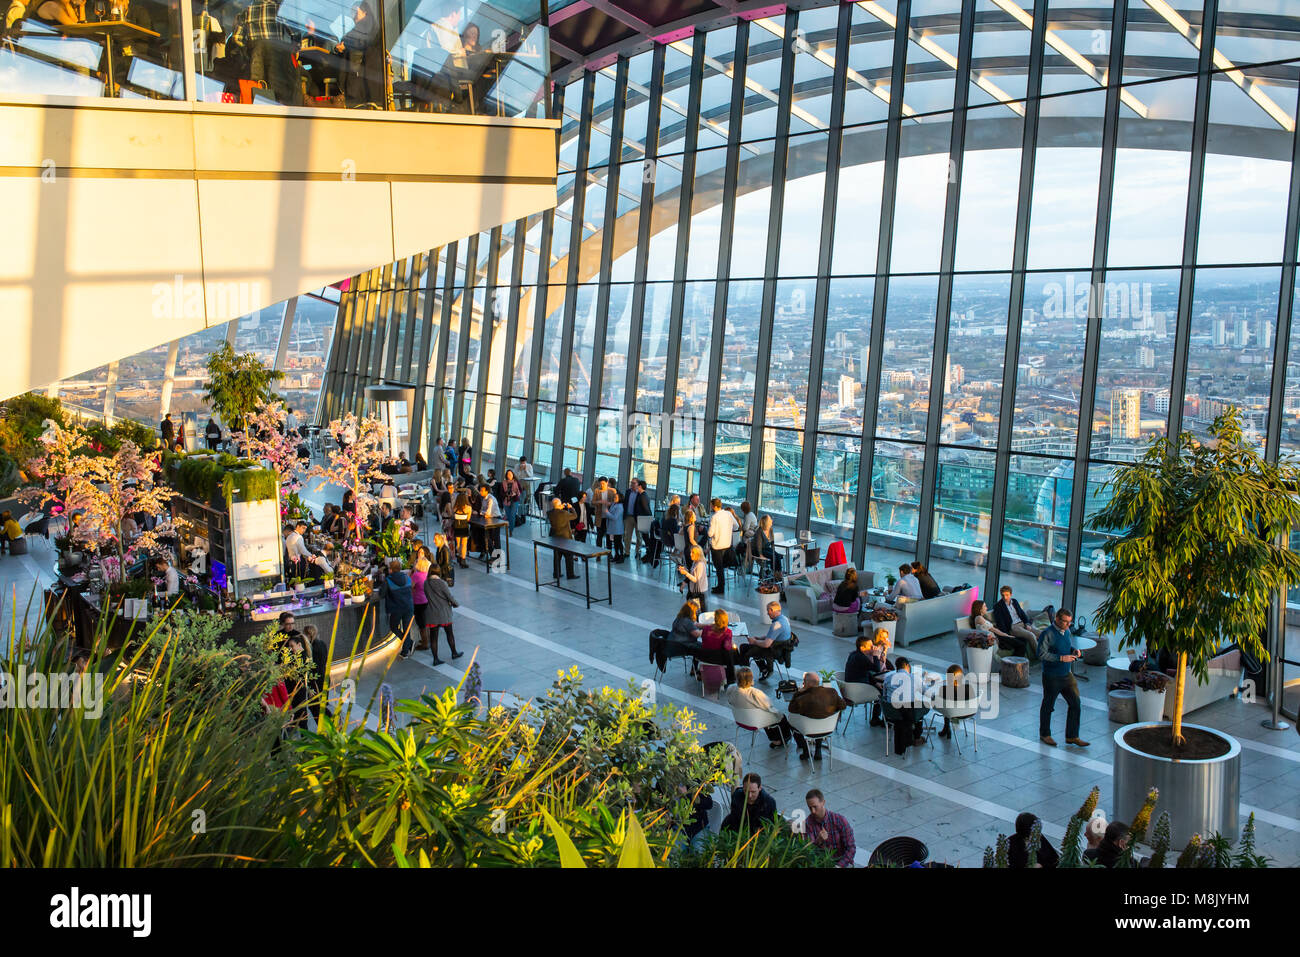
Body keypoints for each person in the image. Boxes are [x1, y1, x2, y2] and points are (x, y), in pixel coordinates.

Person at [233, 0, 301, 106]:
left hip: (255, 61)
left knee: (258, 91)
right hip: (277, 60)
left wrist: (249, 51)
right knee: (280, 93)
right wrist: (295, 47)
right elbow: (295, 32)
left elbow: (237, 38)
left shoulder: (246, 10)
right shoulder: (279, 9)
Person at [1037, 607, 1088, 748]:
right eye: (1065, 622)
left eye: (1069, 622)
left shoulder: (1067, 631)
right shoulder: (1047, 634)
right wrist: (1061, 658)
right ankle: (1045, 734)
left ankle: (1072, 736)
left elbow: (1067, 646)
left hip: (1066, 675)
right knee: (1048, 706)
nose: (1067, 625)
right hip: (1051, 676)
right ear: (1057, 619)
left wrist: (1073, 651)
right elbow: (1041, 654)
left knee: (1075, 704)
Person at [726, 667, 791, 748]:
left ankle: (775, 739)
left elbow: (730, 701)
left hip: (740, 719)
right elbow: (768, 705)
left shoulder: (731, 689)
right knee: (779, 716)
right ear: (750, 679)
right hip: (755, 721)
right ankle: (782, 739)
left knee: (765, 714)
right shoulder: (754, 693)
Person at [787, 672, 844, 760]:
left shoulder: (802, 698)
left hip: (808, 730)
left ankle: (806, 750)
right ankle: (818, 750)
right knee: (820, 716)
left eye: (804, 681)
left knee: (791, 721)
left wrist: (798, 693)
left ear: (808, 683)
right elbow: (843, 705)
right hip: (828, 728)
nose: (803, 683)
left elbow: (791, 709)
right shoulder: (832, 692)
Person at [881, 656, 927, 754]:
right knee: (920, 705)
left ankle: (912, 736)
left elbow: (884, 696)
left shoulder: (888, 678)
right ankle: (917, 737)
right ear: (906, 665)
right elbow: (926, 692)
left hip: (891, 714)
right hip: (908, 713)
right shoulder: (914, 678)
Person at [805, 789, 856, 868]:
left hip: (842, 863)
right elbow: (809, 851)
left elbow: (851, 848)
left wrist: (839, 866)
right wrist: (818, 841)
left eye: (815, 807)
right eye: (810, 808)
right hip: (821, 863)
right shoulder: (808, 824)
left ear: (823, 802)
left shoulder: (839, 820)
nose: (813, 811)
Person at [422, 568, 461, 664]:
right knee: (449, 634)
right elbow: (449, 596)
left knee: (433, 637)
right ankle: (454, 653)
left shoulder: (426, 583)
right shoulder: (442, 583)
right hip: (444, 613)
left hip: (431, 613)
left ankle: (435, 659)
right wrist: (456, 603)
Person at [379, 559, 416, 657]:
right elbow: (413, 585)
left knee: (394, 627)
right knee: (406, 628)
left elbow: (382, 594)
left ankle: (408, 645)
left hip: (397, 608)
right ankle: (406, 650)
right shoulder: (406, 577)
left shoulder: (388, 580)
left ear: (390, 570)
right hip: (408, 606)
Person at [993, 585, 1040, 659]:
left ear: (1011, 594)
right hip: (1013, 627)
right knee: (1031, 636)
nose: (1005, 597)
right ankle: (1041, 657)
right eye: (1003, 595)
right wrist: (1006, 635)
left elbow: (1022, 614)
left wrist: (1027, 623)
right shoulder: (998, 606)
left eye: (1007, 595)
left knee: (1041, 633)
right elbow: (1000, 623)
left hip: (1022, 624)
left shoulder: (1014, 601)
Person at [707, 498, 738, 595]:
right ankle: (721, 586)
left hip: (717, 546)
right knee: (722, 567)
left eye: (711, 505)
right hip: (727, 545)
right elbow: (736, 526)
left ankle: (720, 587)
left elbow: (710, 533)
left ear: (714, 506)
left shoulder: (714, 517)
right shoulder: (728, 514)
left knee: (719, 567)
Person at [935, 664, 973, 739]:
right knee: (949, 706)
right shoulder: (969, 687)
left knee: (945, 706)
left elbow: (939, 703)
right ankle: (948, 728)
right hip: (968, 714)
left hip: (954, 716)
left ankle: (946, 728)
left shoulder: (945, 689)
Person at [547, 497, 579, 581]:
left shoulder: (549, 513)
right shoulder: (564, 513)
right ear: (559, 504)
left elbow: (555, 511)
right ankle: (570, 574)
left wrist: (558, 507)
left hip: (555, 538)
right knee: (568, 557)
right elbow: (575, 516)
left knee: (557, 557)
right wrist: (571, 507)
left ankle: (556, 573)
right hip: (565, 538)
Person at [677, 545, 709, 611]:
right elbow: (692, 574)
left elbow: (696, 580)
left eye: (693, 552)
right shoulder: (695, 562)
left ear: (698, 554)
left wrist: (686, 573)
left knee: (699, 613)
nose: (690, 554)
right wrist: (685, 570)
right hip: (694, 591)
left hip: (699, 593)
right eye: (690, 552)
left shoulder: (700, 564)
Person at [409, 553, 430, 652]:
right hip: (426, 600)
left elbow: (410, 586)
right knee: (425, 622)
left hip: (418, 601)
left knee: (421, 623)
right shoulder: (427, 574)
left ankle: (425, 643)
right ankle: (426, 640)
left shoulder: (416, 575)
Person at [451, 491, 472, 568]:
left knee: (458, 544)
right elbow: (468, 519)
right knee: (464, 544)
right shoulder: (468, 508)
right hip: (464, 527)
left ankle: (459, 557)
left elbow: (453, 515)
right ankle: (463, 560)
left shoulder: (455, 507)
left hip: (457, 527)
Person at [605, 491, 625, 562]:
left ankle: (621, 556)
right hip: (613, 528)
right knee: (616, 544)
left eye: (616, 497)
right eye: (614, 497)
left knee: (618, 543)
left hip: (617, 528)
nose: (614, 498)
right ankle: (617, 555)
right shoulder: (614, 504)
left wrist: (607, 513)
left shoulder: (620, 506)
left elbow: (614, 517)